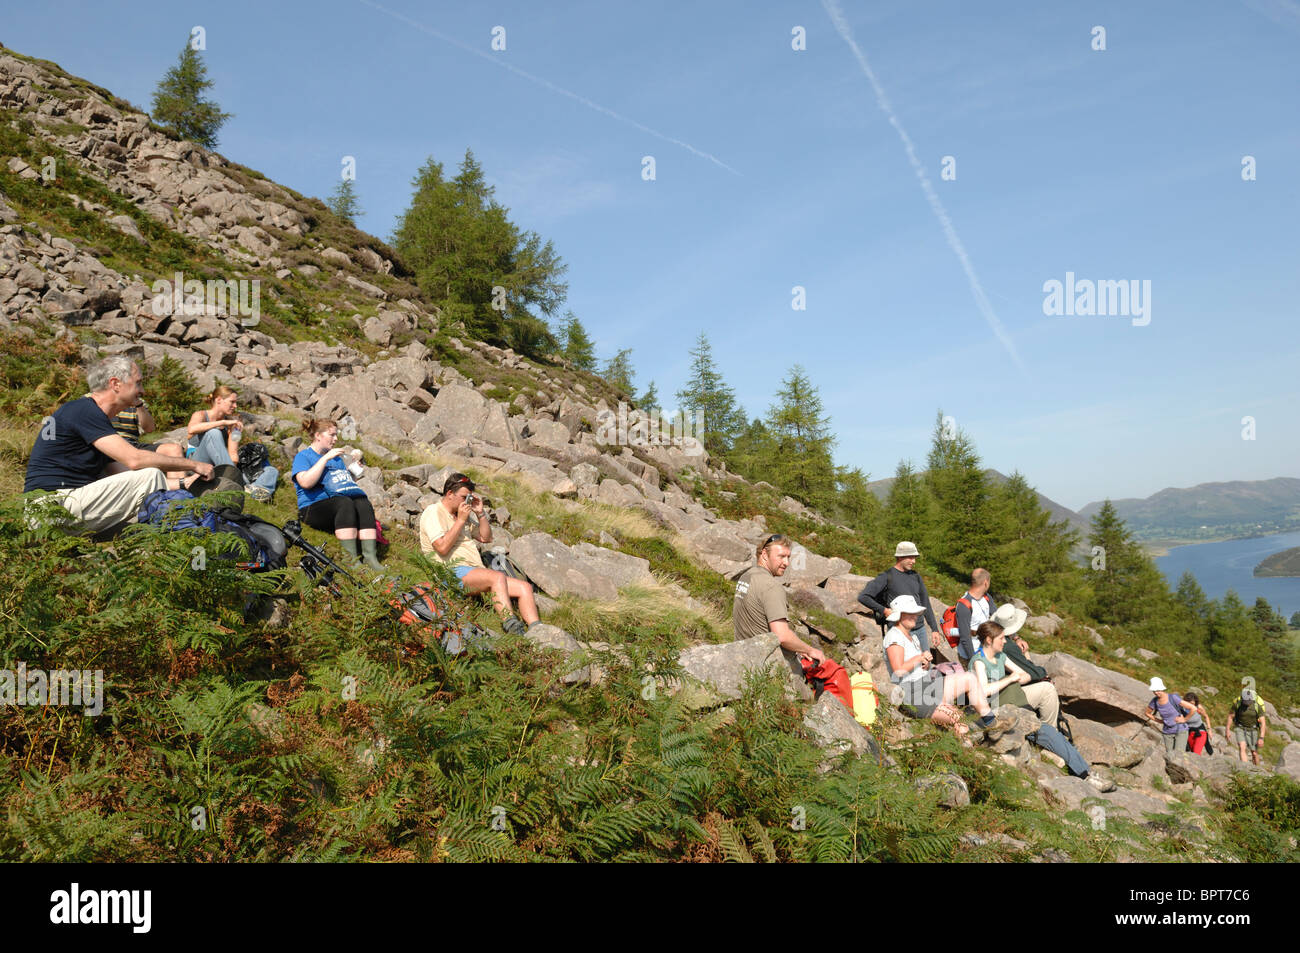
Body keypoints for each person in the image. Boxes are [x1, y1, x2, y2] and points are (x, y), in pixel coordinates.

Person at [23, 356, 213, 535]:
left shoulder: (96, 420)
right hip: (50, 508)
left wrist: (183, 482)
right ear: (115, 384)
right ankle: (187, 533)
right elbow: (135, 460)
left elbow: (120, 472)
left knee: (139, 522)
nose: (143, 390)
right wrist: (194, 465)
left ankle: (185, 523)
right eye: (138, 382)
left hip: (64, 506)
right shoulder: (83, 410)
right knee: (150, 475)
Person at [970, 621, 1112, 791]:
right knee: (1050, 733)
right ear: (988, 640)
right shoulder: (979, 661)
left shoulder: (1000, 656)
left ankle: (1068, 758)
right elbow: (984, 691)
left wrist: (1014, 678)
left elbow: (1025, 675)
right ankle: (1085, 775)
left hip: (1016, 702)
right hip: (1001, 711)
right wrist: (1009, 679)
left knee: (1048, 715)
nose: (1006, 641)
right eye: (1001, 638)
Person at [419, 472, 538, 636]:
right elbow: (442, 548)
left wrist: (480, 514)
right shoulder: (434, 512)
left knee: (524, 587)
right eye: (464, 497)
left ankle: (537, 630)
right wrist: (460, 520)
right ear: (449, 494)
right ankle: (511, 626)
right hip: (449, 571)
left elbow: (486, 537)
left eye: (469, 498)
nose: (466, 502)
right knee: (496, 577)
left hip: (473, 570)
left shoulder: (462, 515)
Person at [882, 594, 1014, 738]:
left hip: (927, 683)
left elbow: (915, 666)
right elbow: (899, 670)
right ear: (900, 615)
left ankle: (991, 723)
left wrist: (925, 663)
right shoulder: (894, 636)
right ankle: (965, 752)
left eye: (916, 613)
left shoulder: (911, 636)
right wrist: (919, 658)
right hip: (912, 694)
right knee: (959, 718)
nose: (916, 616)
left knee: (970, 678)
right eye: (911, 613)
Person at [292, 417, 383, 572]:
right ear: (318, 436)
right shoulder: (304, 456)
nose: (335, 439)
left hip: (337, 508)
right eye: (331, 435)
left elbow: (341, 485)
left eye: (336, 435)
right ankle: (351, 560)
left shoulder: (338, 460)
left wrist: (352, 474)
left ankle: (370, 558)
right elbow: (305, 482)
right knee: (344, 503)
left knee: (362, 502)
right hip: (311, 509)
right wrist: (325, 458)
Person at [186, 385, 278, 502]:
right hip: (197, 466)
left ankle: (257, 490)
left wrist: (233, 429)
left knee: (271, 470)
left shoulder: (232, 423)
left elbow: (233, 457)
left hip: (220, 469)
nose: (235, 406)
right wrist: (223, 422)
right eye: (232, 402)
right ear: (219, 400)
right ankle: (235, 484)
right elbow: (191, 429)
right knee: (214, 433)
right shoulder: (201, 415)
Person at [858, 542, 945, 661]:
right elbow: (863, 596)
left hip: (920, 630)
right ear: (899, 557)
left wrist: (934, 629)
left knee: (926, 667)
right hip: (899, 631)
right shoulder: (886, 576)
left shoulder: (916, 576)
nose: (914, 561)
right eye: (910, 557)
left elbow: (925, 602)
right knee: (905, 670)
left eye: (915, 557)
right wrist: (884, 610)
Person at [985, 603, 1060, 728]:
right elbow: (1030, 673)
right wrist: (1043, 674)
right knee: (1048, 689)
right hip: (1002, 697)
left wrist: (1017, 640)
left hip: (997, 694)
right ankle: (1050, 732)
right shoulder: (1007, 647)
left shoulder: (993, 643)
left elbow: (1026, 671)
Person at [950, 567, 997, 663]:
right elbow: (965, 637)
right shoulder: (964, 605)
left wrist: (1015, 637)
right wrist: (974, 660)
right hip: (971, 654)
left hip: (987, 651)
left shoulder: (987, 598)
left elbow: (998, 617)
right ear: (985, 582)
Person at [1146, 677, 1195, 754]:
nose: (1156, 692)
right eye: (1154, 690)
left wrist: (1185, 719)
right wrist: (1159, 721)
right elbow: (1147, 713)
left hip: (1180, 730)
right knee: (1169, 755)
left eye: (1158, 690)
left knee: (1179, 755)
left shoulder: (1173, 697)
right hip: (1167, 732)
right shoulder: (1154, 701)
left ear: (1162, 688)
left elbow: (1193, 708)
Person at [1225, 684, 1267, 765]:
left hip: (1253, 729)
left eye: (1248, 702)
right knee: (1242, 747)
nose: (1246, 703)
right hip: (1240, 728)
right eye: (1245, 702)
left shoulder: (1257, 706)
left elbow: (1263, 723)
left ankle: (1257, 769)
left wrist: (1261, 738)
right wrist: (1227, 730)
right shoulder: (1238, 703)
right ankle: (1246, 769)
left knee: (1254, 753)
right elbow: (1230, 716)